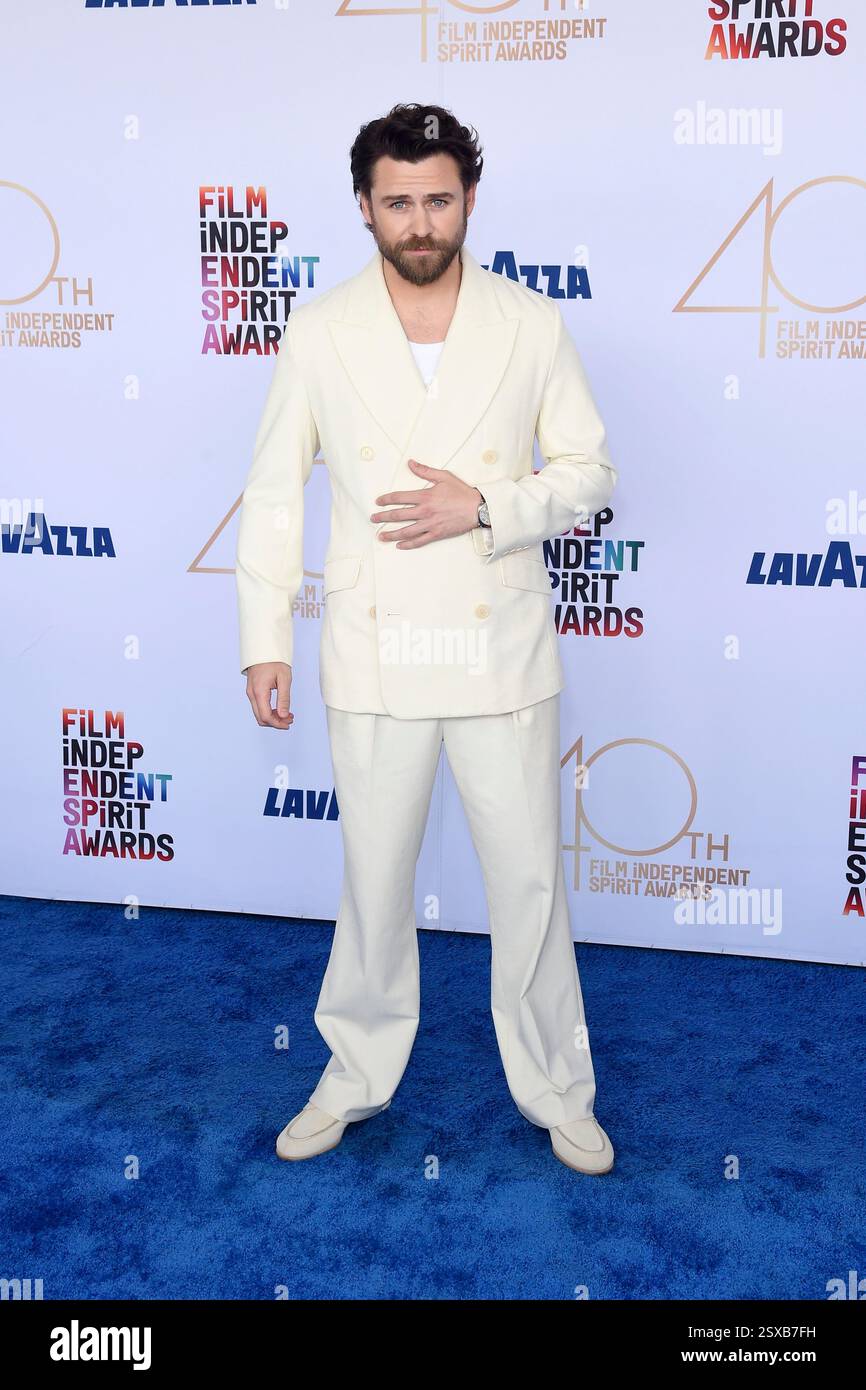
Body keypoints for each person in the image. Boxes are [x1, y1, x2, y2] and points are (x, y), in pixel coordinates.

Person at [235, 103, 617, 1174]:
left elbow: (589, 473)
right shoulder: (319, 329)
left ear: (469, 200)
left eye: (437, 199)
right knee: (372, 883)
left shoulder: (529, 323)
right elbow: (273, 492)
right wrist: (264, 639)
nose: (419, 222)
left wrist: (485, 506)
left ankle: (558, 1086)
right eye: (397, 201)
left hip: (500, 652)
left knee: (529, 887)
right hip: (371, 649)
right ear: (365, 206)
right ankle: (352, 1075)